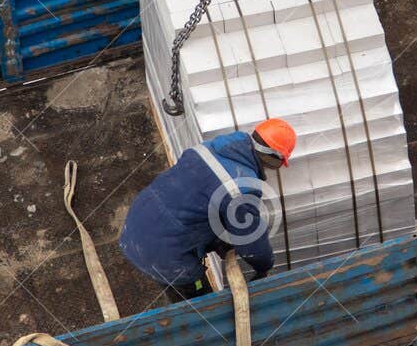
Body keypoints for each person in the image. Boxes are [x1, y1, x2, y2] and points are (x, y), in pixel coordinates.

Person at [119, 119, 296, 301]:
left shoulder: (208, 149)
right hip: (161, 253)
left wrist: (218, 240)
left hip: (137, 222)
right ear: (272, 158)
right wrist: (264, 266)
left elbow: (195, 201)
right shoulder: (241, 189)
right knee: (201, 305)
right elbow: (252, 245)